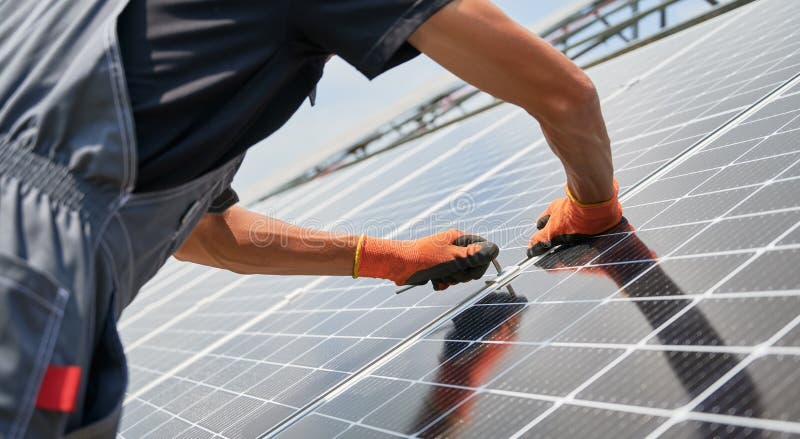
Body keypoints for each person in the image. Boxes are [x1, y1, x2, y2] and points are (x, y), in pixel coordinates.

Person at [0, 0, 622, 436]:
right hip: (27, 283)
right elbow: (563, 93)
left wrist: (384, 257)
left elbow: (210, 236)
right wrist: (593, 205)